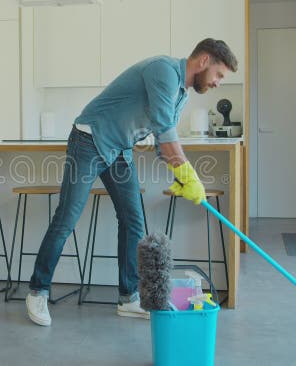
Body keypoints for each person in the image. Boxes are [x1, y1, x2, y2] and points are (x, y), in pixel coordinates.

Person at [26, 38, 238, 326]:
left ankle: (128, 298)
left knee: (133, 220)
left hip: (118, 149)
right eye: (218, 75)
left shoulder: (181, 94)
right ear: (203, 62)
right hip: (89, 139)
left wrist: (179, 176)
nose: (216, 83)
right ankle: (37, 291)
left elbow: (162, 142)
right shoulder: (163, 71)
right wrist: (189, 176)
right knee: (67, 217)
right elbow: (166, 133)